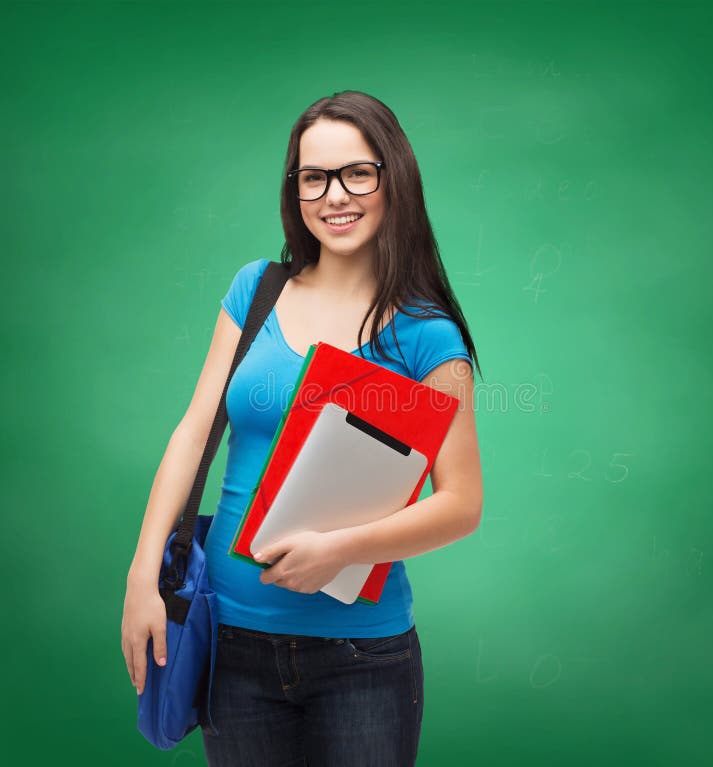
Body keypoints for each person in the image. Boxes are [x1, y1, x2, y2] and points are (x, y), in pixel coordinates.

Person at [121, 89, 483, 766]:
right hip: (230, 646)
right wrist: (143, 574)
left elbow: (462, 503)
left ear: (392, 178)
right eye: (314, 176)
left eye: (357, 173)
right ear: (296, 188)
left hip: (362, 658)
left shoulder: (425, 335)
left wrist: (340, 547)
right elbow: (192, 432)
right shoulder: (257, 289)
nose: (334, 195)